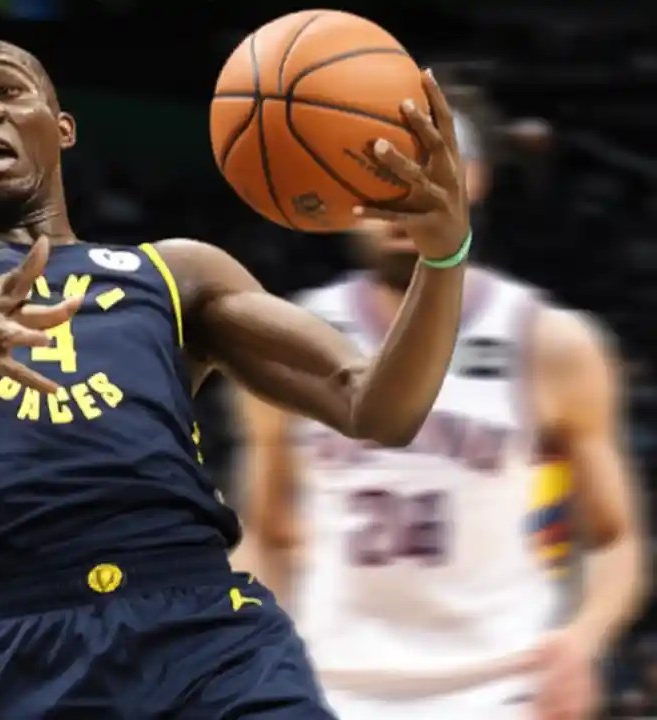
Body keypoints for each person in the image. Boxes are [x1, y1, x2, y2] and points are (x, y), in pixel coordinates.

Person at [0, 39, 470, 718]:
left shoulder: (177, 273)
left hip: (208, 634)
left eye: (7, 90)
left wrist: (445, 257)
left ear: (62, 128)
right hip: (21, 643)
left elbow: (376, 405)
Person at [231, 86, 647, 720]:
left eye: (418, 177)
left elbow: (615, 540)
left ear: (469, 181)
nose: (398, 206)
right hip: (329, 688)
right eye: (375, 179)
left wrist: (583, 642)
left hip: (503, 688)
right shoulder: (285, 338)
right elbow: (267, 535)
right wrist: (249, 650)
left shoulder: (551, 342)